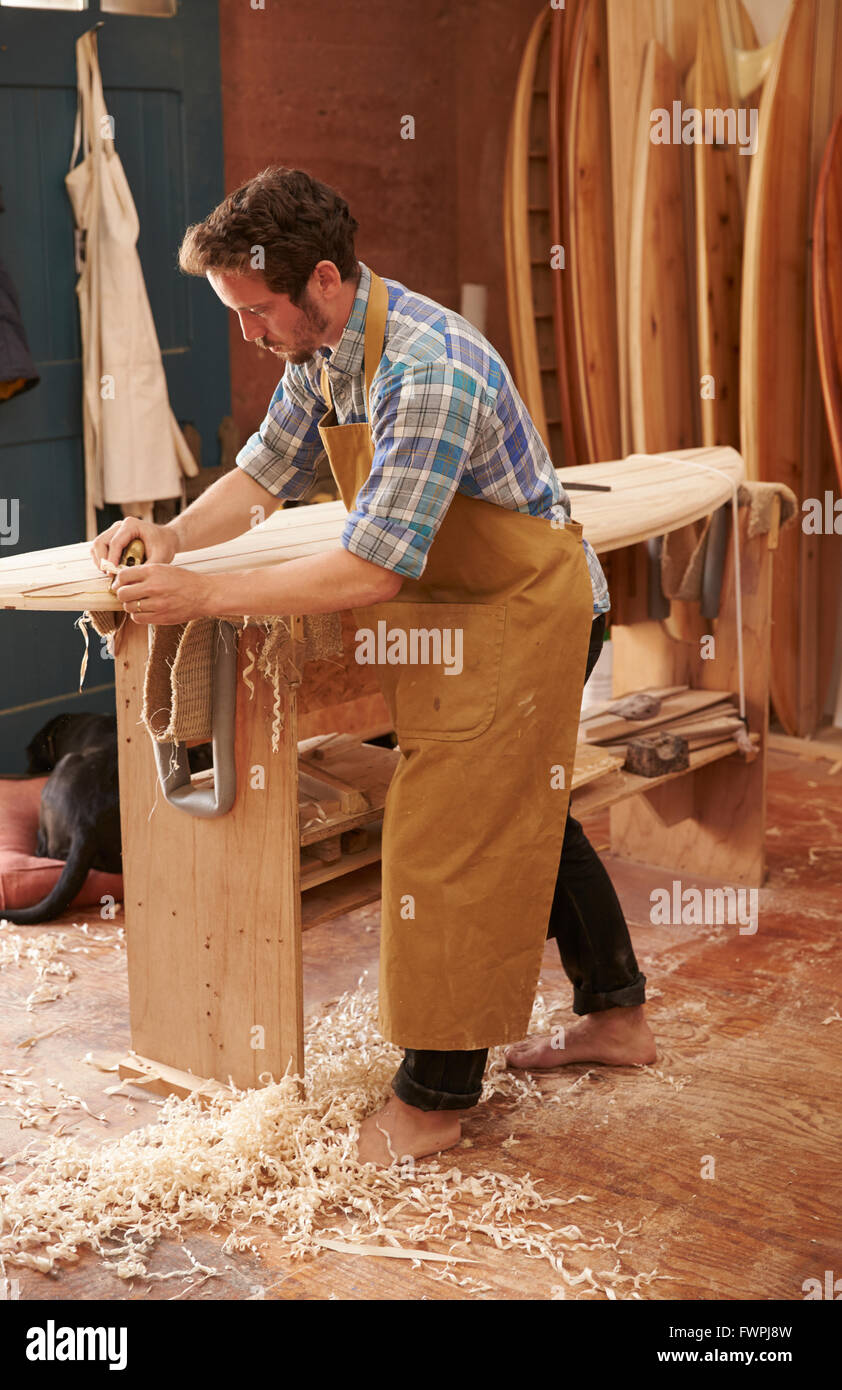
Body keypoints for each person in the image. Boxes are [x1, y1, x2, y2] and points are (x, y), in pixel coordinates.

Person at [90, 167, 654, 1167]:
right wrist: (173, 537)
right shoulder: (320, 352)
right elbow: (261, 476)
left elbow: (369, 567)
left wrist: (204, 597)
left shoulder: (421, 367)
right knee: (526, 808)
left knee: (444, 842)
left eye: (256, 312)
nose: (250, 336)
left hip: (527, 614)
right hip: (464, 616)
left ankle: (434, 1100)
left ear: (319, 279)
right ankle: (616, 1016)